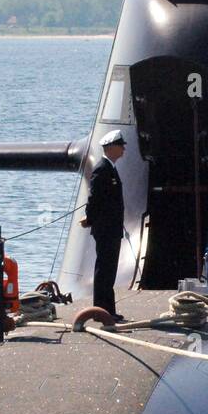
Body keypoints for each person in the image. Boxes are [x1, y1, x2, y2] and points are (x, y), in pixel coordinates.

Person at [80, 129, 127, 322]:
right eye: (121, 146)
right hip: (106, 230)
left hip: (112, 229)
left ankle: (108, 310)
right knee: (104, 271)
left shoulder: (111, 168)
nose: (123, 149)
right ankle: (101, 311)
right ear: (111, 148)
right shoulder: (102, 169)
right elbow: (94, 199)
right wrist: (89, 219)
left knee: (109, 271)